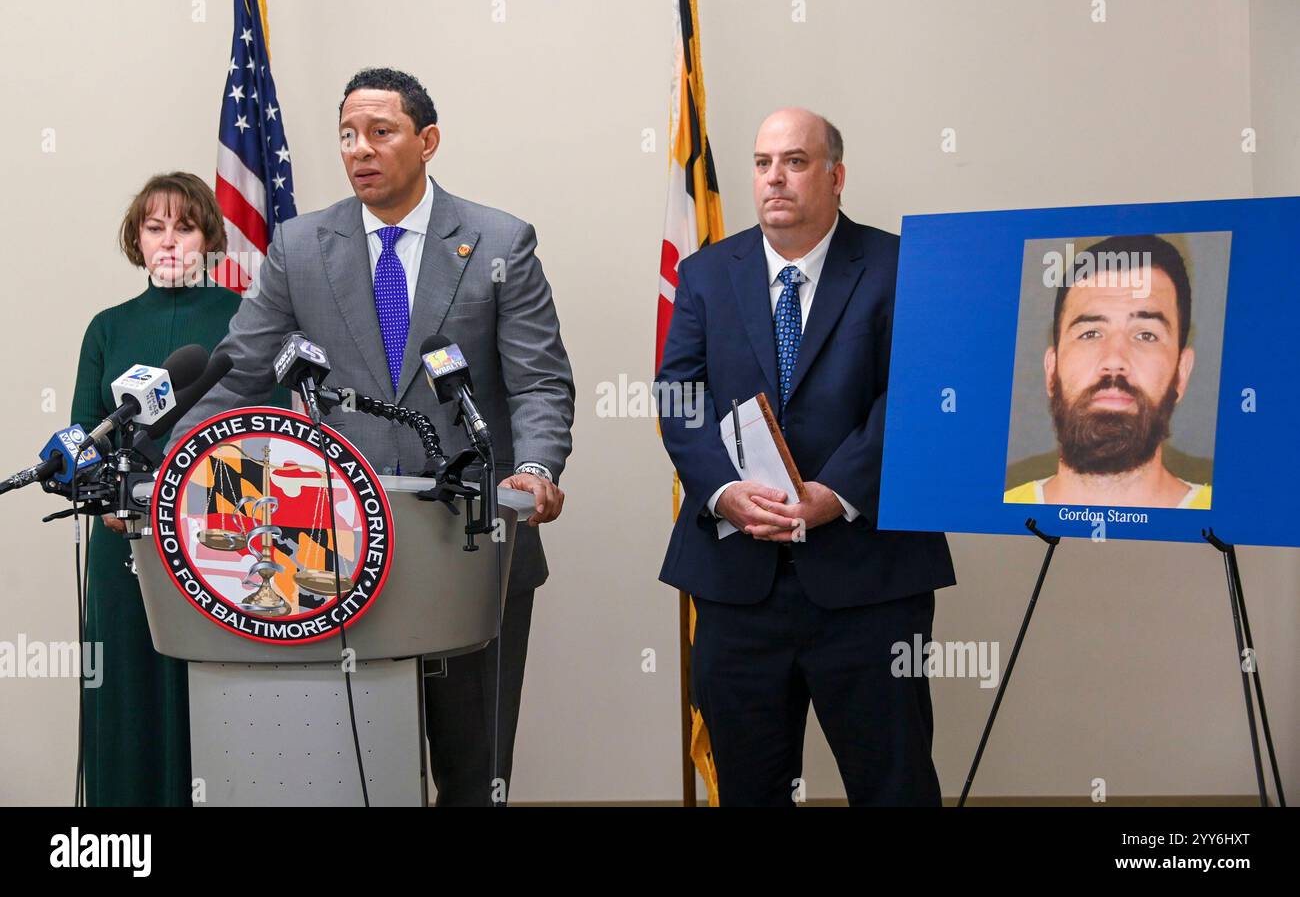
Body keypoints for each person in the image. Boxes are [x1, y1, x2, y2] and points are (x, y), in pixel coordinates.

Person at [167, 68, 575, 806]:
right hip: (333, 558)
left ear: (427, 142)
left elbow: (539, 382)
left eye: (380, 133)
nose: (360, 149)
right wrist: (169, 468)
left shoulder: (498, 242)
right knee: (352, 769)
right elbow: (234, 377)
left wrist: (538, 468)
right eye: (348, 136)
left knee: (471, 773)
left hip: (470, 549)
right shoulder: (299, 246)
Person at [656, 108, 955, 806]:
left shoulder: (899, 266)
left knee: (895, 785)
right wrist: (723, 490)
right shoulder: (705, 273)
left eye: (794, 161)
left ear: (836, 176)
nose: (774, 179)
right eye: (762, 163)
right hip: (736, 582)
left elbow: (913, 395)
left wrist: (836, 493)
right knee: (751, 790)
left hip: (870, 578)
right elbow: (678, 396)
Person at [71, 171, 288, 805]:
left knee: (209, 691)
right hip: (121, 546)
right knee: (127, 692)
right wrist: (105, 495)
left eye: (185, 227)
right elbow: (87, 436)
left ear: (209, 237)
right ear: (137, 239)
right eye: (155, 227)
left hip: (215, 549)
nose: (170, 242)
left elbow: (264, 434)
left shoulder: (243, 320)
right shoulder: (107, 327)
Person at [1004, 234, 1210, 509]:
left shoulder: (1231, 524)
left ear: (1181, 373)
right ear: (1051, 370)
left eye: (1146, 335)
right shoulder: (994, 514)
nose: (1114, 360)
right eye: (1090, 333)